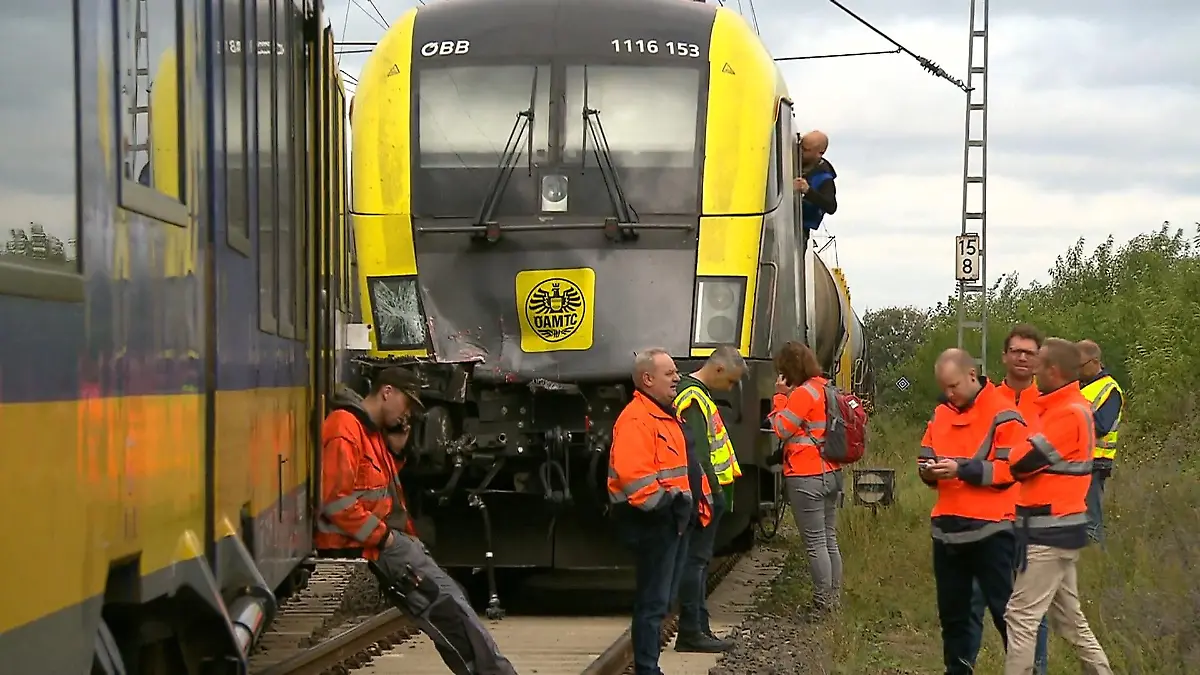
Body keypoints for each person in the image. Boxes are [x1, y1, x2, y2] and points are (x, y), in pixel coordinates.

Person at [315, 369, 517, 675]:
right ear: (386, 392)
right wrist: (385, 538)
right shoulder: (344, 427)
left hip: (390, 541)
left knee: (453, 602)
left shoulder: (368, 429)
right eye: (406, 405)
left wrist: (396, 450)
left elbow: (374, 486)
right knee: (449, 610)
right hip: (378, 546)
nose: (406, 414)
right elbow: (337, 502)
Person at [1003, 338, 1113, 675]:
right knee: (1071, 621)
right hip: (1057, 530)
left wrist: (1019, 446)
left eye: (1039, 362)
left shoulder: (1068, 414)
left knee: (1020, 618)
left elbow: (1021, 462)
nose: (1032, 368)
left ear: (1053, 371)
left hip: (1049, 532)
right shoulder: (1062, 408)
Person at [918, 348, 1026, 675]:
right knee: (954, 617)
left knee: (1007, 615)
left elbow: (1011, 471)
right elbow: (924, 460)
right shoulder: (940, 415)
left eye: (954, 386)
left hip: (993, 531)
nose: (949, 394)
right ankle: (958, 670)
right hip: (947, 531)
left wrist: (961, 470)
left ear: (972, 375)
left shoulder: (1004, 413)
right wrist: (929, 472)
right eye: (944, 388)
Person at [609, 348, 713, 675]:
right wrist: (665, 507)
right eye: (669, 373)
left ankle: (649, 667)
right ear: (647, 379)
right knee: (653, 603)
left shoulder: (666, 416)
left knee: (662, 601)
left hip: (673, 521)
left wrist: (698, 505)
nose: (677, 378)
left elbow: (686, 466)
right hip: (654, 522)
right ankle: (647, 669)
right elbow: (633, 476)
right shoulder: (637, 419)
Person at [967, 324, 1051, 673]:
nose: (1022, 357)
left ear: (1039, 360)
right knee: (972, 600)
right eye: (1016, 350)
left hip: (1035, 519)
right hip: (985, 517)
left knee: (1031, 609)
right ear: (1004, 356)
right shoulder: (981, 401)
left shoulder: (1051, 403)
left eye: (1029, 352)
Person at [671, 345, 745, 653]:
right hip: (703, 494)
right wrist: (710, 494)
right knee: (696, 563)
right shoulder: (693, 397)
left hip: (704, 492)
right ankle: (691, 631)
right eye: (730, 381)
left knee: (699, 562)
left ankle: (699, 628)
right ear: (717, 369)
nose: (730, 388)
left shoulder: (697, 394)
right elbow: (698, 453)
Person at [768, 340, 843, 614]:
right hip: (831, 473)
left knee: (815, 543)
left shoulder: (802, 394)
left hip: (807, 475)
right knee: (828, 538)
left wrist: (779, 397)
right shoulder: (825, 388)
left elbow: (780, 429)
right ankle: (834, 600)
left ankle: (823, 604)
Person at [1076, 339, 1124, 544]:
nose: (1076, 370)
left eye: (1080, 365)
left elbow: (1102, 426)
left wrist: (1073, 415)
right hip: (1078, 461)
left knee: (1090, 520)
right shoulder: (1082, 387)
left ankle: (1099, 561)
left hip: (1096, 461)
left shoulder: (1110, 390)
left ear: (1095, 362)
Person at [793, 130, 838, 232]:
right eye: (800, 146)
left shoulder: (824, 177)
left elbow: (831, 206)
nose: (800, 151)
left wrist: (808, 190)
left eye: (805, 149)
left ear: (819, 153)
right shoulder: (792, 158)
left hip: (799, 230)